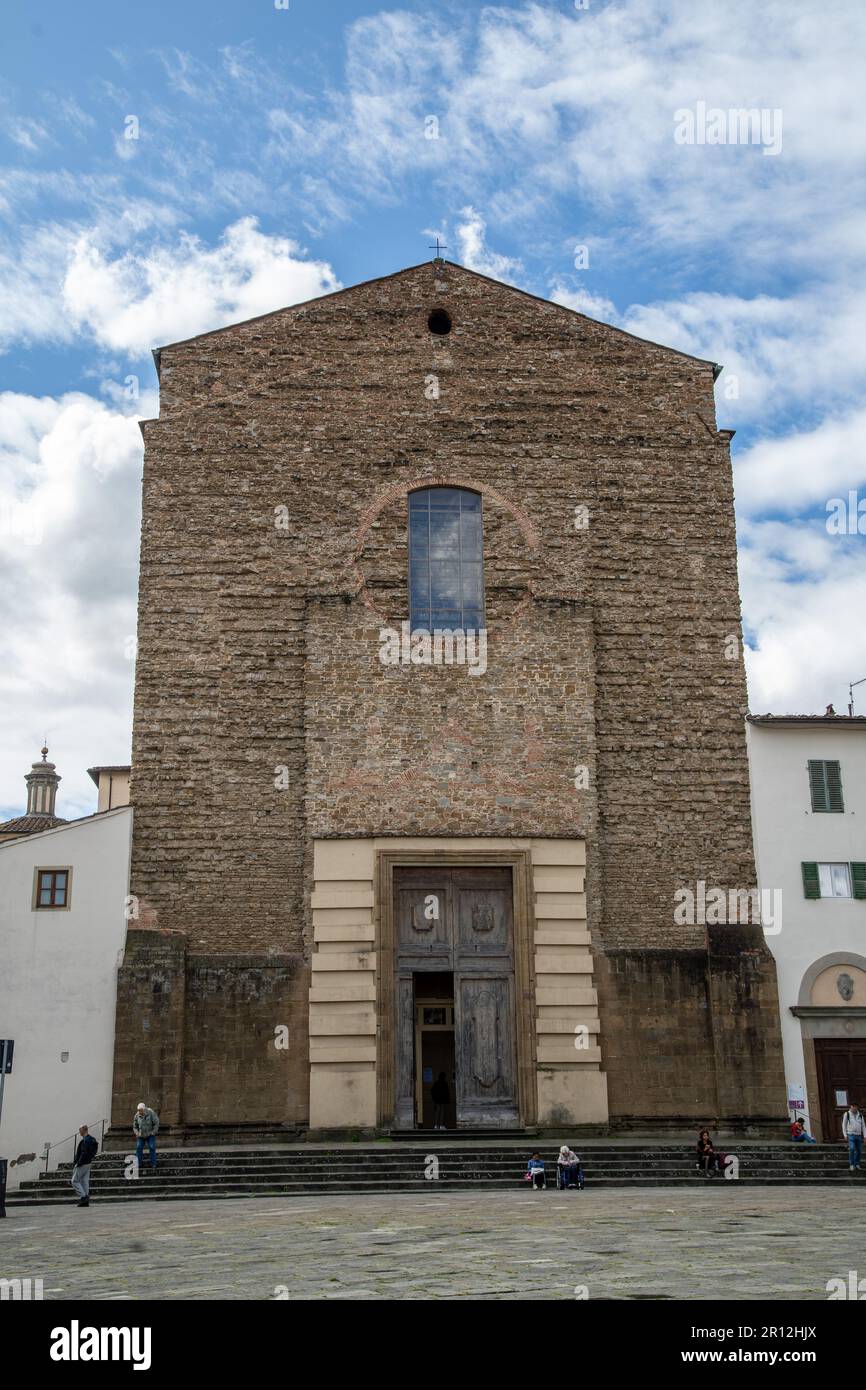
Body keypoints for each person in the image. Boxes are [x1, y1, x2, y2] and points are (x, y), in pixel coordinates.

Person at [71, 1124, 98, 1207]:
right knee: (84, 1181)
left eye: (80, 1130)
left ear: (83, 1130)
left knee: (74, 1181)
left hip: (83, 1163)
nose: (79, 1132)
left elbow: (83, 1153)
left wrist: (79, 1162)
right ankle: (85, 1199)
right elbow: (94, 1151)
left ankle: (83, 1197)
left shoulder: (85, 1140)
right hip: (88, 1163)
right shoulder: (92, 1139)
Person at [133, 1101, 159, 1171]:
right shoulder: (137, 1115)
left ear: (144, 1109)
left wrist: (153, 1132)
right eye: (138, 1111)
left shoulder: (151, 1113)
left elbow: (156, 1123)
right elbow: (135, 1126)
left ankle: (153, 1164)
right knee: (138, 1148)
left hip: (150, 1134)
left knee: (152, 1147)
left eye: (140, 1111)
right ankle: (138, 1164)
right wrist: (137, 1133)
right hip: (141, 1135)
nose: (139, 1112)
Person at [842, 1102, 864, 1171]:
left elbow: (863, 1126)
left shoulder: (860, 1115)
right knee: (851, 1148)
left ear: (857, 1107)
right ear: (850, 1107)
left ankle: (857, 1163)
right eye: (852, 1107)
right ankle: (851, 1164)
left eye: (855, 1107)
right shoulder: (847, 1114)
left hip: (858, 1135)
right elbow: (844, 1125)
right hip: (850, 1134)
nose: (853, 1109)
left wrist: (865, 1136)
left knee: (859, 1151)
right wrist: (845, 1135)